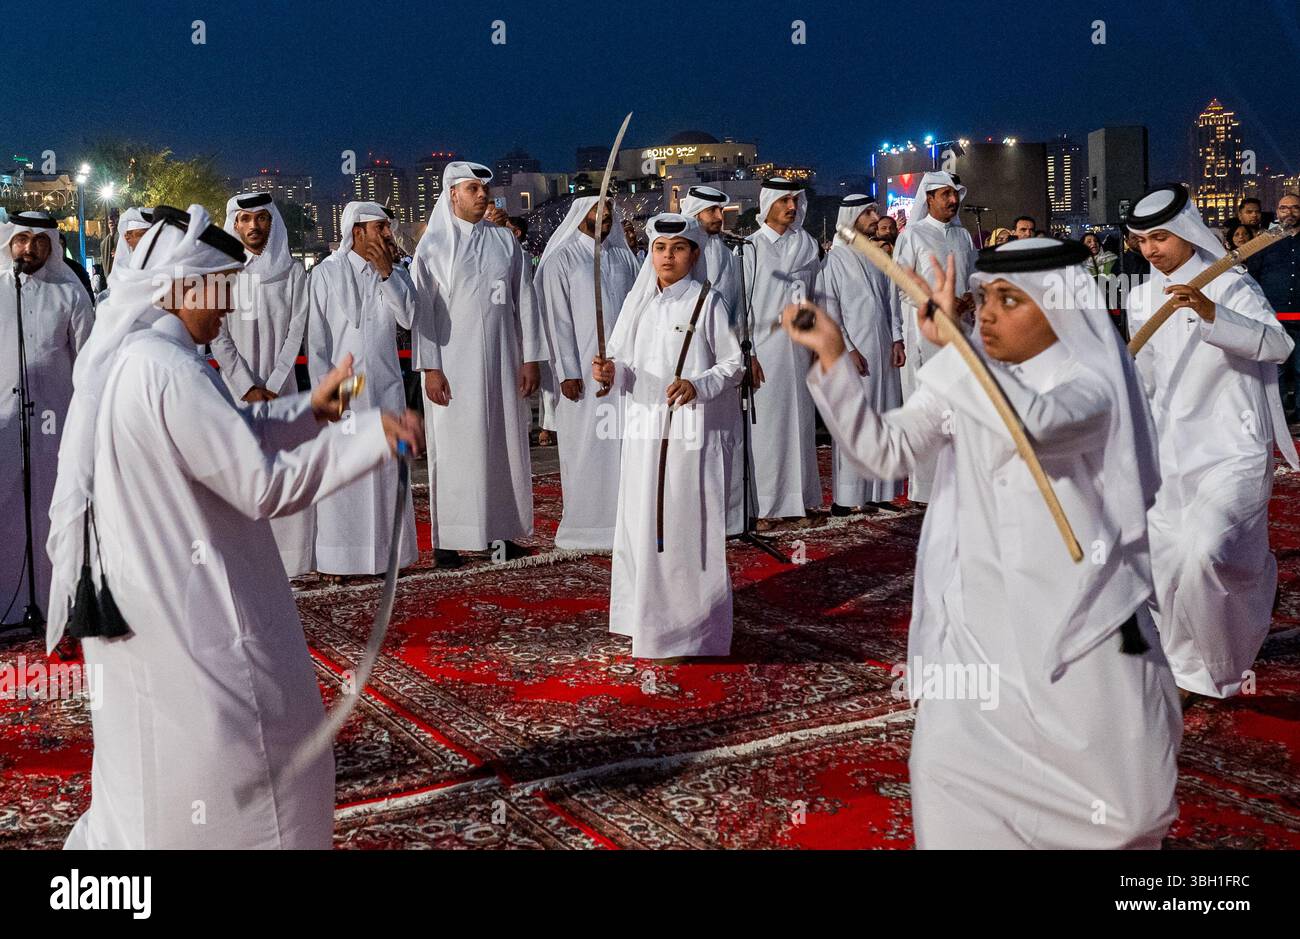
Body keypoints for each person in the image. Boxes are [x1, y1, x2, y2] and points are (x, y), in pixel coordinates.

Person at [44, 204, 424, 848]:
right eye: (221, 291)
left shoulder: (140, 357)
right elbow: (260, 483)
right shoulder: (168, 368)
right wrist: (368, 439)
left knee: (154, 760)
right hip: (195, 608)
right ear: (185, 284)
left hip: (152, 599)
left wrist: (319, 407)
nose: (227, 311)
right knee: (255, 754)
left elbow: (231, 435)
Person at [787, 236, 1181, 848]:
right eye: (982, 298)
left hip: (1081, 625)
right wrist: (833, 358)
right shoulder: (967, 376)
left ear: (1060, 308)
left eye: (1008, 300)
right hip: (976, 624)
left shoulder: (1091, 385)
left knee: (1125, 813)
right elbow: (882, 451)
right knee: (944, 774)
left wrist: (956, 352)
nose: (988, 314)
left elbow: (1030, 424)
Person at [1126, 184, 1298, 701]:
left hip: (1231, 446)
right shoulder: (1138, 298)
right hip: (1170, 451)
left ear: (1183, 233)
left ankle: (1215, 667)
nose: (1151, 250)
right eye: (1141, 241)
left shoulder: (1230, 284)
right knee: (1164, 561)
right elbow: (1148, 379)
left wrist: (1210, 312)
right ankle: (1183, 666)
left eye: (1160, 238)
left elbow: (1278, 344)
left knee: (1206, 554)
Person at [592, 214, 742, 660]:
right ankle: (644, 621)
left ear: (693, 254)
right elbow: (626, 367)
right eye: (660, 248)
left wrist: (698, 384)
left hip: (689, 433)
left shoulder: (705, 302)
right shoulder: (637, 304)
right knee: (642, 522)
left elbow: (732, 365)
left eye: (677, 248)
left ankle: (692, 631)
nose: (667, 257)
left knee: (683, 524)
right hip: (642, 431)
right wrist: (609, 372)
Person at [410, 161, 548, 563]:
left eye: (484, 189)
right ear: (452, 194)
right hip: (452, 367)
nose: (482, 195)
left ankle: (501, 533)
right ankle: (449, 541)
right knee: (455, 450)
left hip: (503, 362)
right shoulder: (433, 247)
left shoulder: (506, 242)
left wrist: (531, 358)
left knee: (502, 444)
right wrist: (430, 367)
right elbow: (424, 314)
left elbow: (526, 301)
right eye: (472, 189)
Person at [307, 202, 419, 580]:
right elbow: (318, 343)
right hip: (346, 393)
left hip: (386, 389)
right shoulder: (326, 274)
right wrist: (327, 400)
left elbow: (409, 317)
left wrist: (388, 274)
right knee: (345, 477)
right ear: (357, 231)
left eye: (388, 228)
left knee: (387, 474)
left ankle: (391, 557)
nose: (388, 234)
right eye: (380, 228)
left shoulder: (395, 273)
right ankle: (340, 560)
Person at [211, 192, 315, 575]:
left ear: (272, 222)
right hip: (236, 391)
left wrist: (272, 382)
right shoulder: (220, 271)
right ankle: (242, 560)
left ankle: (290, 562)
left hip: (281, 388)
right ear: (234, 224)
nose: (253, 226)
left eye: (261, 218)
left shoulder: (292, 273)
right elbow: (216, 334)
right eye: (245, 219)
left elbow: (296, 330)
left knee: (283, 467)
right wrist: (245, 384)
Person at [0, 211, 94, 626]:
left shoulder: (71, 293)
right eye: (21, 239)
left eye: (39, 241)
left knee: (53, 507)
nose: (29, 248)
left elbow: (90, 362)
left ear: (52, 245)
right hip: (4, 421)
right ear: (10, 243)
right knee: (7, 507)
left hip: (58, 419)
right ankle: (9, 600)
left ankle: (57, 602)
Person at [535, 195, 639, 549]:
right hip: (580, 370)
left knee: (624, 444)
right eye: (598, 211)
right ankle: (584, 526)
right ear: (581, 215)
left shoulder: (624, 256)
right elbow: (556, 320)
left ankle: (624, 522)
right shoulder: (561, 261)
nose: (605, 218)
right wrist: (566, 371)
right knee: (586, 445)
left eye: (609, 212)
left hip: (623, 371)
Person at [742, 178, 822, 527]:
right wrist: (749, 353)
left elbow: (815, 296)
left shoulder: (806, 244)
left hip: (800, 349)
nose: (791, 207)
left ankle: (798, 503)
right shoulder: (751, 248)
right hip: (765, 351)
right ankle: (765, 508)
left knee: (801, 426)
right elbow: (741, 304)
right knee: (768, 431)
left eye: (795, 201)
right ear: (769, 203)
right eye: (784, 201)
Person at [893, 171, 977, 504]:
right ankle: (926, 490)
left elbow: (973, 277)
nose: (953, 201)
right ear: (928, 198)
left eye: (955, 194)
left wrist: (970, 296)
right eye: (946, 195)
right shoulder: (912, 235)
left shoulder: (963, 235)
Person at [817, 194, 905, 513]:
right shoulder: (836, 258)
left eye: (874, 211)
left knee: (883, 418)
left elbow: (891, 300)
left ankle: (880, 494)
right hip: (855, 352)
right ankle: (847, 498)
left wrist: (897, 339)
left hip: (882, 347)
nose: (874, 216)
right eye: (867, 212)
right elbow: (830, 309)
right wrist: (849, 348)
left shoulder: (876, 255)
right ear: (852, 216)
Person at [1246, 192, 1300, 421]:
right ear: (1277, 212)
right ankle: (1277, 419)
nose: (1289, 212)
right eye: (1284, 208)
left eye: (1295, 207)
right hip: (1273, 318)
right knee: (1275, 371)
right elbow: (1253, 279)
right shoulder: (1264, 241)